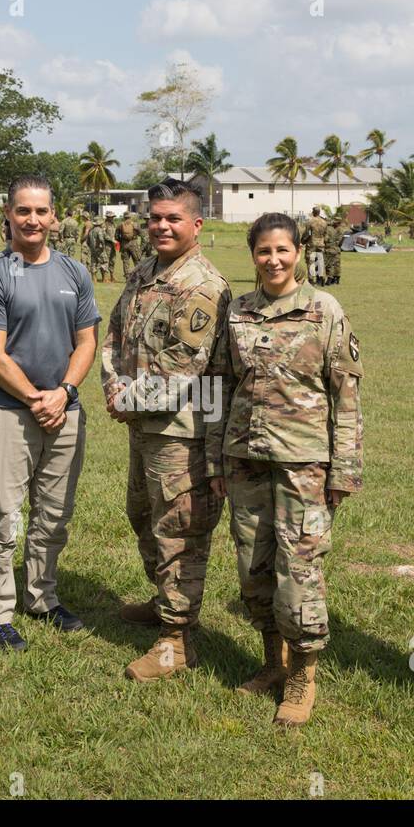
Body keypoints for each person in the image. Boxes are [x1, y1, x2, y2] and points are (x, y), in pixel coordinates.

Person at [210, 212, 363, 726]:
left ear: (298, 252)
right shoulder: (239, 311)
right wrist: (217, 457)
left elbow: (346, 394)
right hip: (245, 460)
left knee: (298, 573)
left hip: (305, 466)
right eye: (262, 252)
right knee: (253, 570)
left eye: (282, 250)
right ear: (252, 255)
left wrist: (343, 469)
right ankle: (272, 661)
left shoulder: (324, 309)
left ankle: (302, 673)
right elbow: (221, 388)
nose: (273, 260)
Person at [100, 178, 231, 681]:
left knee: (180, 529)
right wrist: (115, 386)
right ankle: (163, 605)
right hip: (143, 425)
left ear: (196, 225)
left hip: (185, 431)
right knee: (142, 515)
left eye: (173, 218)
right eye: (155, 217)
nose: (160, 226)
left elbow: (184, 368)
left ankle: (177, 639)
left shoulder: (202, 285)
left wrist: (126, 400)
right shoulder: (143, 272)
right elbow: (114, 336)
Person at [0, 175, 100, 651]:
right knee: (4, 512)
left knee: (54, 513)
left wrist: (63, 391)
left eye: (41, 211)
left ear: (54, 217)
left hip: (65, 409)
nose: (33, 219)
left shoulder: (74, 272)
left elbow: (86, 342)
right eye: (23, 211)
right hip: (11, 411)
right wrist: (35, 398)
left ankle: (42, 596)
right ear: (8, 215)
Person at [301, 207, 328, 286]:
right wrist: (323, 242)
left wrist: (302, 241)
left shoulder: (310, 221)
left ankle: (311, 280)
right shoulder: (324, 222)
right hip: (321, 244)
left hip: (312, 244)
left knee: (310, 262)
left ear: (313, 212)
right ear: (319, 212)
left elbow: (307, 234)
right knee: (320, 261)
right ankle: (320, 279)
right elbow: (326, 234)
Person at [116, 213, 140, 280]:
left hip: (124, 245)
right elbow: (140, 233)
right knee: (136, 260)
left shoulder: (120, 225)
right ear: (130, 217)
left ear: (124, 217)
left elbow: (116, 236)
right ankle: (137, 276)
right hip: (133, 244)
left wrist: (122, 241)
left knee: (125, 261)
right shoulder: (135, 224)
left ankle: (127, 277)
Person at [323, 213, 345, 285]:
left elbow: (339, 241)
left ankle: (335, 278)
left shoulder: (340, 230)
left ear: (338, 222)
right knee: (334, 264)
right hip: (335, 248)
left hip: (335, 248)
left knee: (334, 264)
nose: (333, 222)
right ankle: (334, 278)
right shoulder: (334, 228)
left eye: (335, 221)